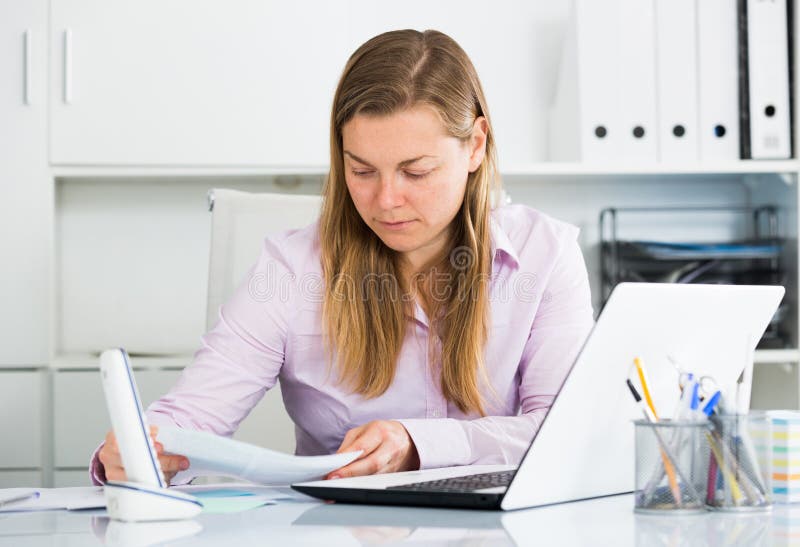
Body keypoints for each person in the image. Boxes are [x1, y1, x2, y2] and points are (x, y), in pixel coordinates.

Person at [91, 28, 594, 486]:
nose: (386, 199)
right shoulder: (291, 271)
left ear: (476, 146)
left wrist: (418, 445)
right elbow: (194, 417)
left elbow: (566, 433)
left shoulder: (545, 257)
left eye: (415, 171)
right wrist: (141, 451)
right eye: (362, 170)